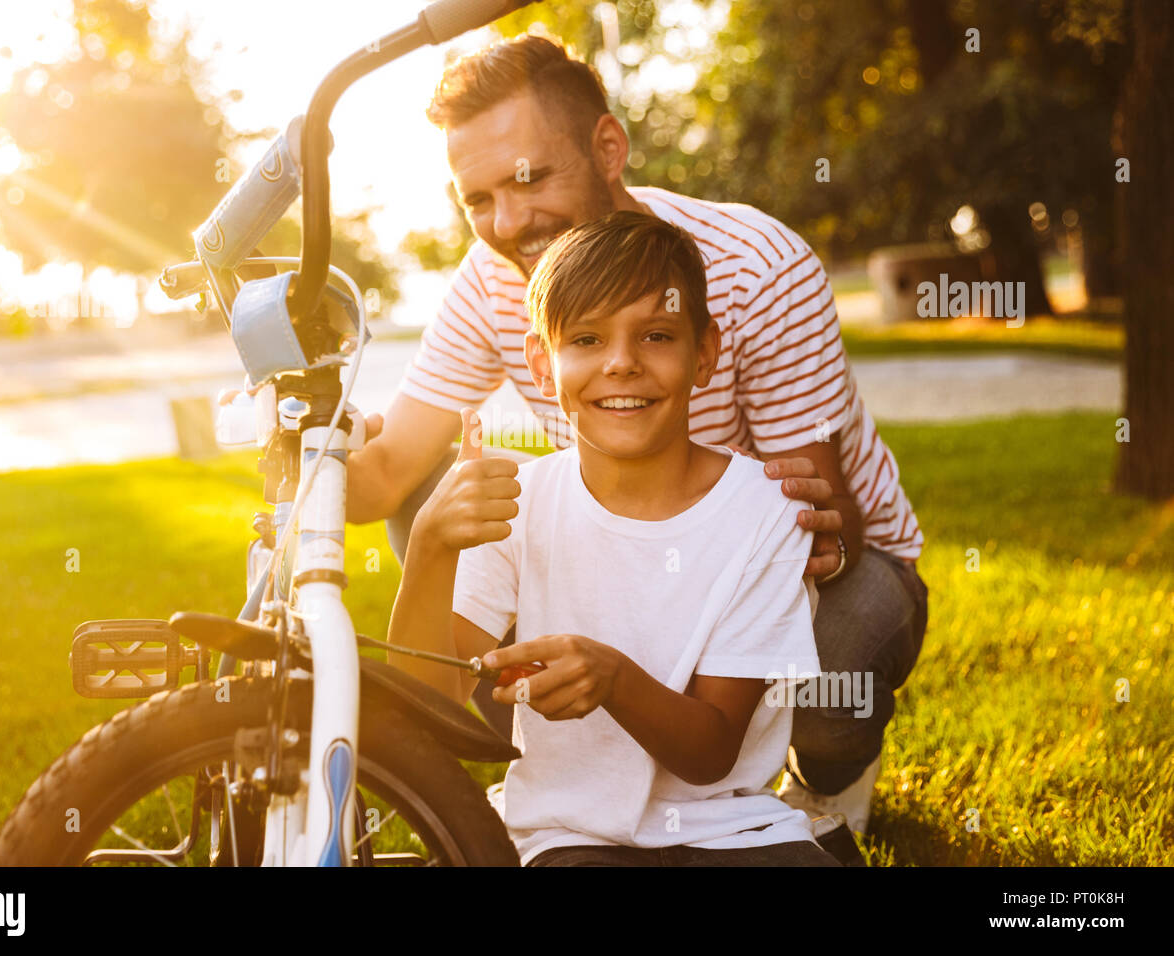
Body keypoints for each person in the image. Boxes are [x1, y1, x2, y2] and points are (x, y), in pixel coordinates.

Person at [342, 34, 928, 835]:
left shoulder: (755, 266)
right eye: (477, 200)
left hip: (819, 561)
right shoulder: (490, 286)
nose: (509, 223)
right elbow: (384, 474)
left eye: (529, 178)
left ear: (608, 148)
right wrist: (297, 451)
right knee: (436, 498)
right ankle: (568, 758)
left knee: (825, 690)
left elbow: (824, 536)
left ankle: (823, 776)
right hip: (629, 552)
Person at [389, 210, 841, 866]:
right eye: (588, 340)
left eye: (656, 335)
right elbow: (427, 711)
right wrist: (429, 547)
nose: (623, 364)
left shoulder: (764, 511)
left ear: (705, 353)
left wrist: (613, 679)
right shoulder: (518, 502)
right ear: (543, 366)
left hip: (734, 828)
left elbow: (710, 754)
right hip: (569, 836)